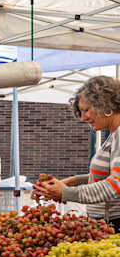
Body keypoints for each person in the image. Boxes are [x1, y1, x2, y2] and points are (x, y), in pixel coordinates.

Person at [35, 75, 120, 229]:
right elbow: (106, 175)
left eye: (86, 110)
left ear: (105, 105)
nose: (82, 118)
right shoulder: (113, 135)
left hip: (114, 224)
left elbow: (116, 185)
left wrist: (66, 192)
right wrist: (70, 182)